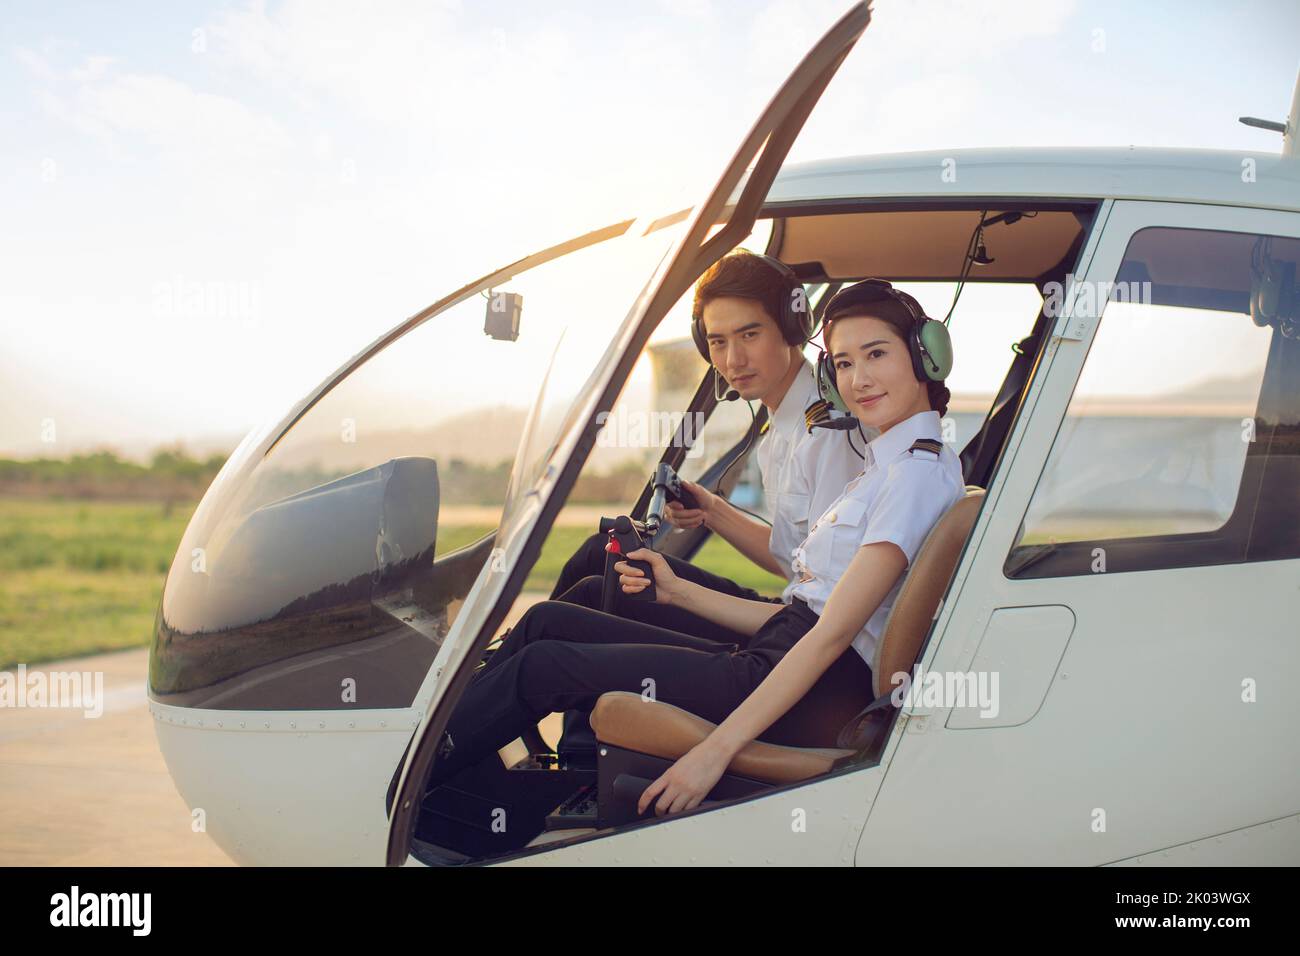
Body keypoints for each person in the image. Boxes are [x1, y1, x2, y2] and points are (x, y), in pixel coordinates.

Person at [427, 278, 965, 818]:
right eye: (844, 364)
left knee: (542, 668)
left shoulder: (911, 475)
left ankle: (404, 782)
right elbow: (804, 612)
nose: (859, 379)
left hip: (815, 687)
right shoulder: (892, 464)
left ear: (924, 356)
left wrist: (715, 751)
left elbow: (830, 634)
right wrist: (677, 591)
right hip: (788, 657)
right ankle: (456, 770)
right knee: (549, 621)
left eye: (876, 354)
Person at [547, 251, 866, 647]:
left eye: (750, 335)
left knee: (577, 609)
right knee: (603, 555)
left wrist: (681, 592)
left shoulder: (827, 433)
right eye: (718, 342)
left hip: (803, 634)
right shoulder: (782, 426)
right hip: (794, 612)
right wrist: (711, 511)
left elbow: (830, 601)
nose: (733, 360)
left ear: (791, 326)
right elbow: (794, 559)